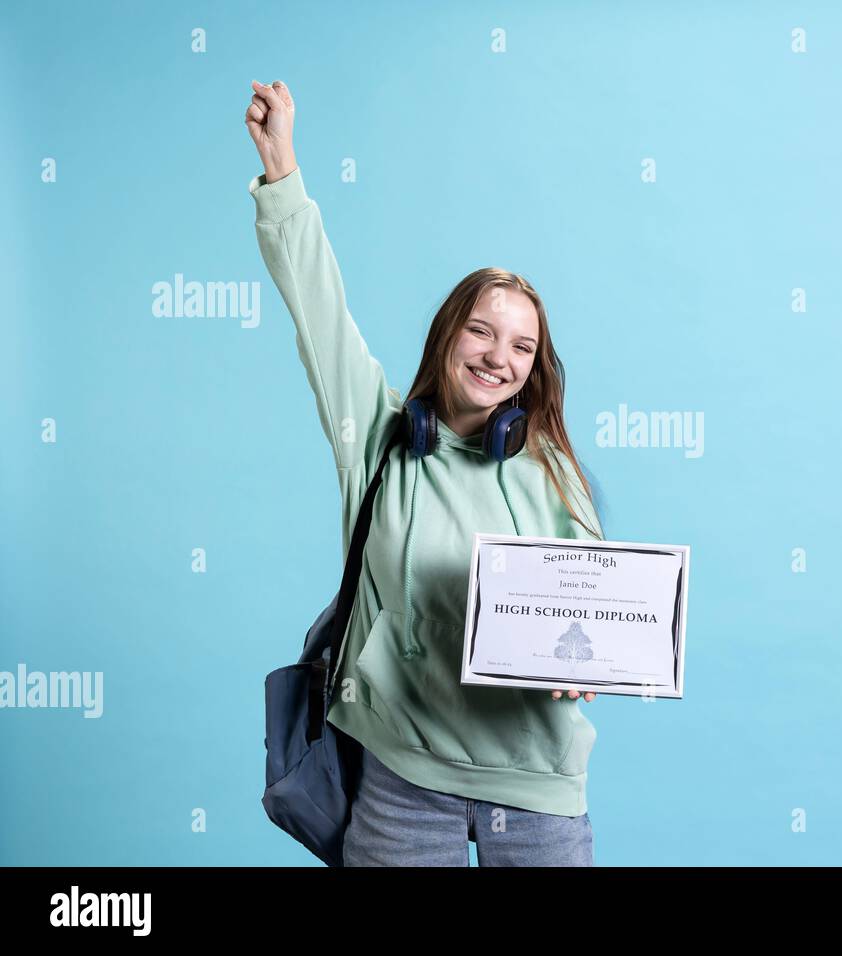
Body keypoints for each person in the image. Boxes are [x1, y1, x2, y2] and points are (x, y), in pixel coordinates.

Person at [244, 79, 605, 866]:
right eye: (481, 330)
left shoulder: (555, 474)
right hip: (404, 783)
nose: (497, 357)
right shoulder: (376, 440)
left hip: (536, 785)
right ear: (449, 335)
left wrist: (585, 668)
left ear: (535, 369)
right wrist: (283, 175)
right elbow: (319, 309)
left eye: (521, 347)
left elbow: (593, 611)